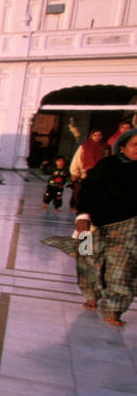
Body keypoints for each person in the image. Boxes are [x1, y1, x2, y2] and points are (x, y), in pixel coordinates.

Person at [75, 126, 137, 327]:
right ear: (123, 147)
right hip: (94, 223)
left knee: (122, 268)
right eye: (135, 145)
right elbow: (87, 190)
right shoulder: (107, 166)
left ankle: (113, 309)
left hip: (128, 228)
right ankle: (91, 294)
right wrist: (83, 217)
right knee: (87, 260)